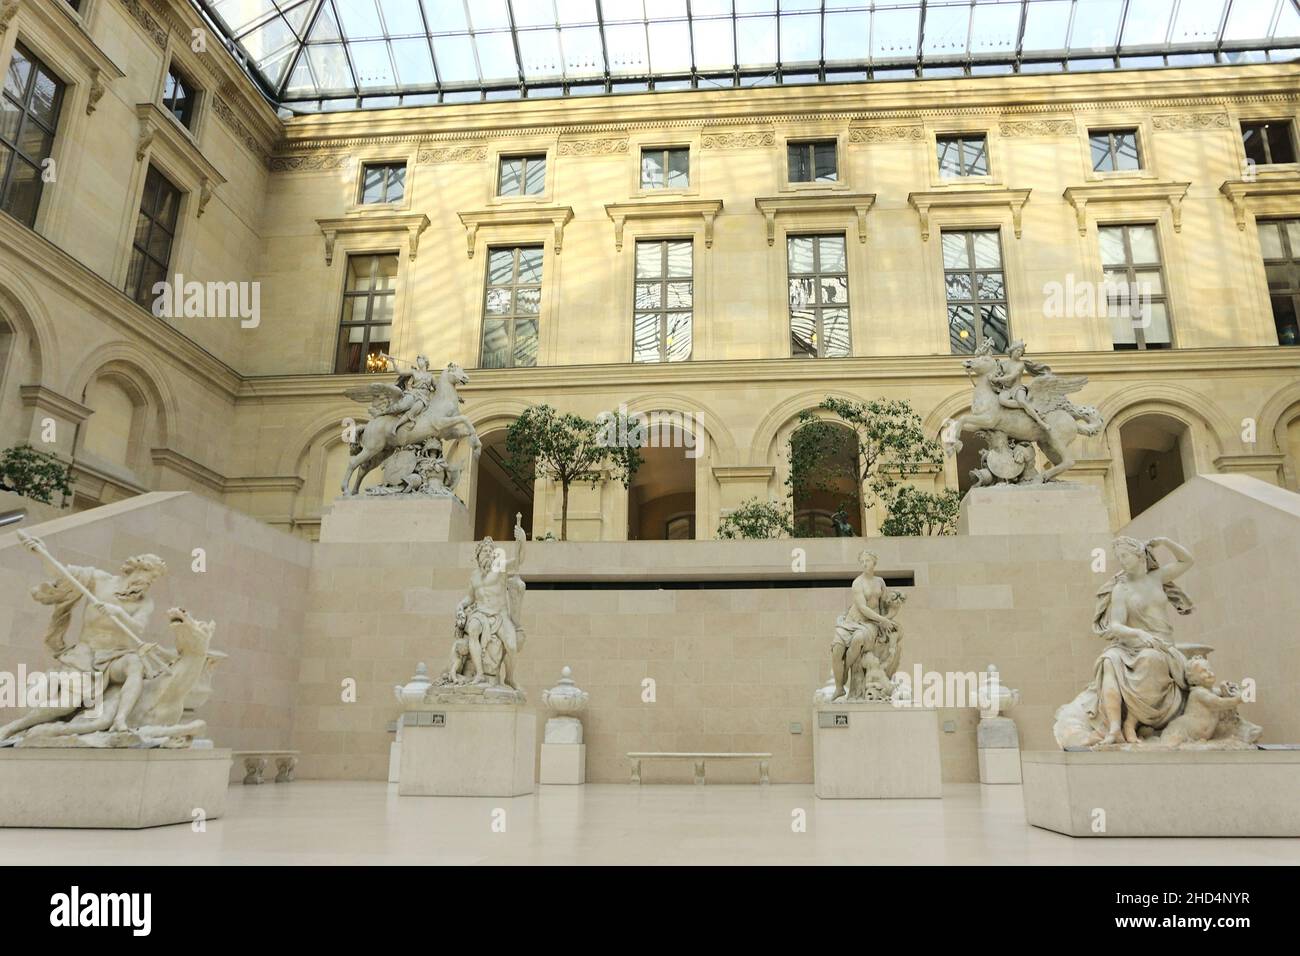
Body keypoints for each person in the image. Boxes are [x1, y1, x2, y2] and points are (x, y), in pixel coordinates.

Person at [11, 536, 166, 736]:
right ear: (139, 570)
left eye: (154, 580)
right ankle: (14, 728)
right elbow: (62, 574)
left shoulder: (144, 602)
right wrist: (42, 554)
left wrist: (117, 612)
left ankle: (119, 720)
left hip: (115, 657)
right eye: (151, 577)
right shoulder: (98, 580)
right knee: (66, 705)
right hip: (86, 656)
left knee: (135, 663)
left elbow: (139, 628)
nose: (150, 583)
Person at [831, 550, 904, 701]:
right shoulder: (857, 582)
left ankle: (844, 672)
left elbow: (884, 605)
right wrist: (883, 620)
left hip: (870, 624)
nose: (865, 564)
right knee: (837, 649)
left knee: (858, 639)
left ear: (874, 562)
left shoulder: (880, 582)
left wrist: (892, 612)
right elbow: (863, 608)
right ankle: (839, 688)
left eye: (868, 560)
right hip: (851, 621)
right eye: (862, 561)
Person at [989, 340, 1049, 430]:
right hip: (1006, 390)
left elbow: (1011, 376)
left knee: (1021, 400)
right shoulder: (1003, 363)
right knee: (1002, 401)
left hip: (1018, 388)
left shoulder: (1020, 364)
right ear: (1012, 350)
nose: (1019, 353)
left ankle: (1040, 421)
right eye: (1018, 350)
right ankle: (1029, 407)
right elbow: (995, 372)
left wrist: (998, 379)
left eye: (1021, 352)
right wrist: (992, 376)